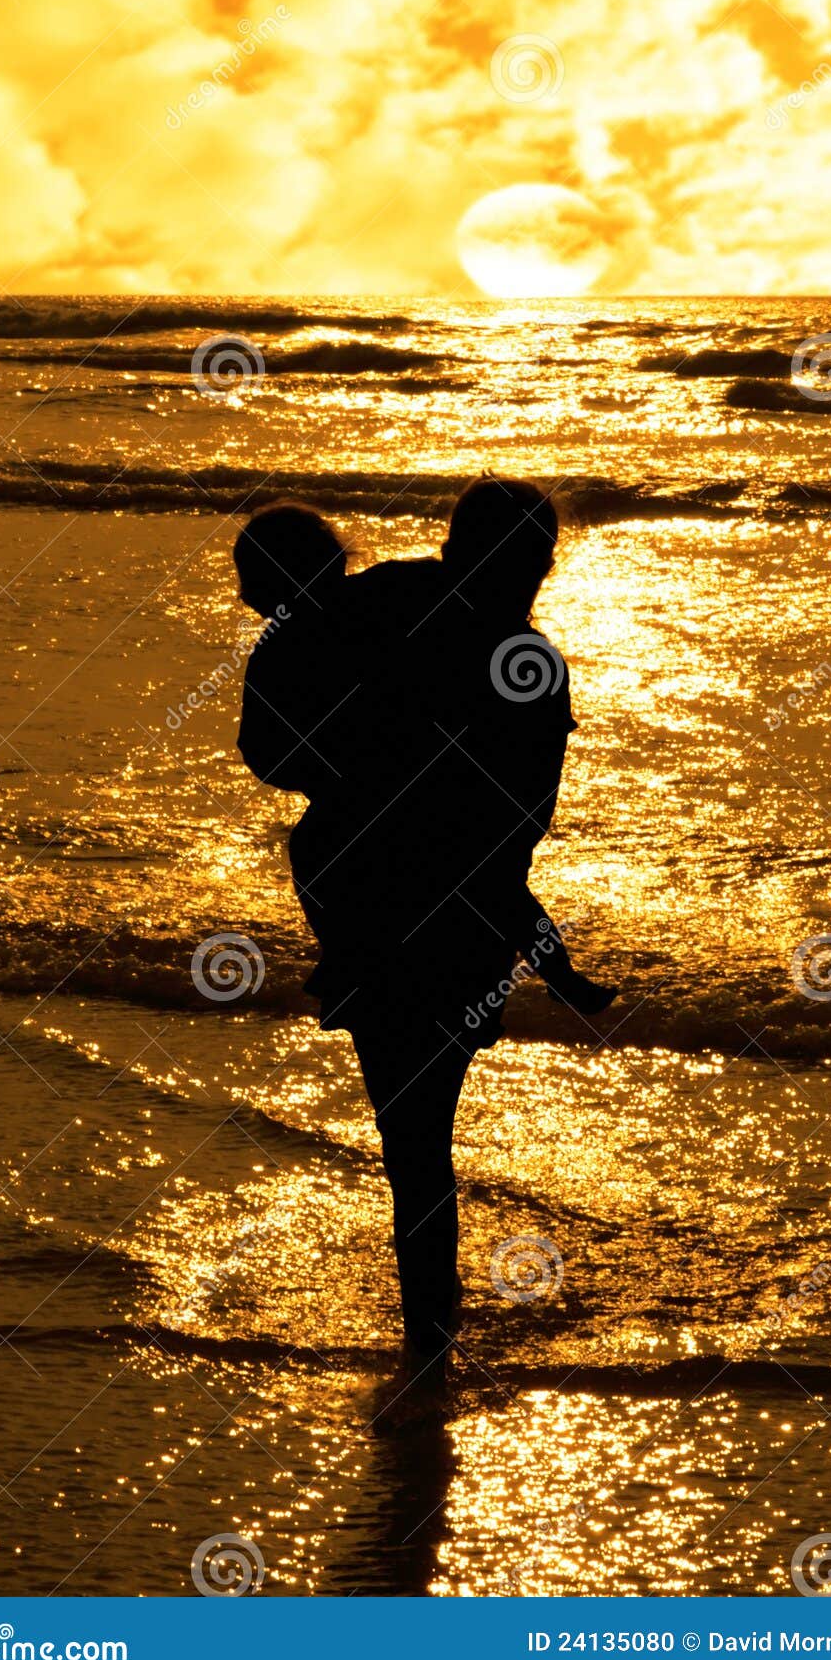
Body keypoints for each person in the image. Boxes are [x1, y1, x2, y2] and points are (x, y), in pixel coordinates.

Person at [235, 480, 616, 1373]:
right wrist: (542, 945)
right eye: (528, 557)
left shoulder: (399, 602)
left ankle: (429, 1339)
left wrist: (351, 782)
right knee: (417, 1135)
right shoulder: (520, 660)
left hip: (380, 899)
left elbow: (276, 737)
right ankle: (429, 1351)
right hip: (417, 911)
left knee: (414, 1138)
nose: (532, 574)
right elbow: (512, 830)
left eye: (536, 559)